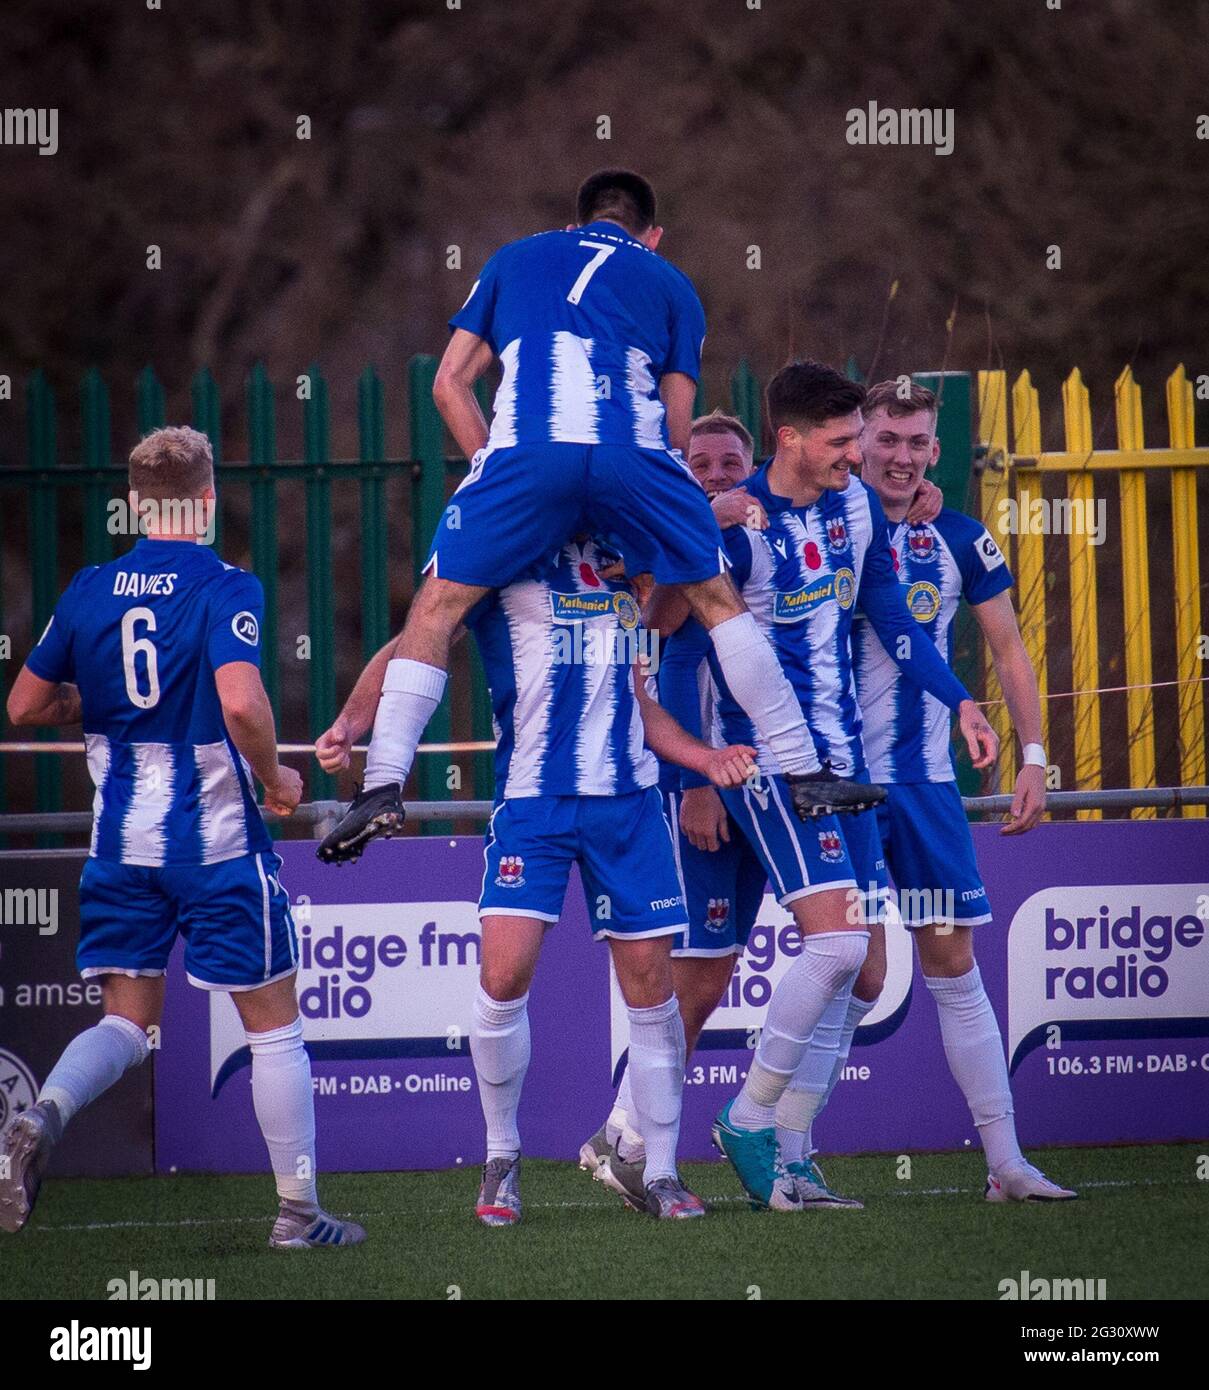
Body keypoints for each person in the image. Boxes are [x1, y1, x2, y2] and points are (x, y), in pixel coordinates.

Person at [315, 170, 881, 865]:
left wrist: (501, 476)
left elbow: (448, 383)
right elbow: (676, 430)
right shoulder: (671, 284)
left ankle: (380, 786)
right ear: (652, 234)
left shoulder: (515, 258)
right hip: (631, 454)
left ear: (573, 222)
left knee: (435, 611)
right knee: (716, 601)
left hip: (526, 450)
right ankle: (802, 770)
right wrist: (630, 512)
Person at [316, 533, 757, 1221]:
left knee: (650, 988)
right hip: (532, 806)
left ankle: (663, 1172)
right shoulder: (502, 549)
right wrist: (353, 720)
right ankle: (500, 1160)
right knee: (503, 976)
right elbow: (419, 634)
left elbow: (638, 703)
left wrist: (703, 759)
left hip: (628, 809)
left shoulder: (622, 565)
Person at [643, 363, 997, 1211]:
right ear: (791, 439)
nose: (860, 455)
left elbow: (893, 621)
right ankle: (740, 1122)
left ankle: (788, 1157)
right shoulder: (737, 525)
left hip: (844, 768)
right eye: (843, 442)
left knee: (865, 974)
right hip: (766, 763)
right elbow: (678, 643)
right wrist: (693, 769)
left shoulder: (856, 509)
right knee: (827, 950)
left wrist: (961, 702)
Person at [0, 427, 365, 1249]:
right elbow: (241, 703)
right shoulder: (225, 584)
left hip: (121, 846)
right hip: (216, 846)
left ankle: (42, 1114)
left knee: (127, 1026)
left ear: (133, 502)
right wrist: (277, 781)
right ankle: (299, 1217)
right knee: (273, 1026)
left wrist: (99, 709)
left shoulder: (90, 586)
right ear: (205, 502)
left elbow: (24, 704)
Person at [782, 379, 1075, 1202]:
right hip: (839, 782)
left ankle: (1006, 1165)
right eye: (885, 441)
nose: (901, 457)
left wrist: (1032, 757)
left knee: (952, 963)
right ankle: (789, 1151)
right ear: (855, 441)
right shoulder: (823, 529)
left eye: (916, 443)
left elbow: (1010, 649)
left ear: (934, 451)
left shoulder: (959, 536)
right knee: (857, 971)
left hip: (925, 784)